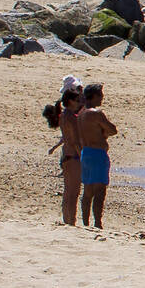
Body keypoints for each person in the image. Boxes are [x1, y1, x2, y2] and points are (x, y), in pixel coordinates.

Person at [75, 82, 117, 227]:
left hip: (85, 153)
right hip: (98, 153)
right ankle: (97, 222)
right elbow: (112, 129)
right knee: (100, 191)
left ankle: (85, 222)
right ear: (95, 96)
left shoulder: (80, 114)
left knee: (87, 190)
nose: (102, 98)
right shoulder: (96, 113)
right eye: (101, 95)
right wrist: (103, 133)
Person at [46, 81, 83, 225]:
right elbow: (74, 140)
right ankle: (71, 221)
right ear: (70, 101)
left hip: (67, 156)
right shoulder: (70, 118)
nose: (79, 103)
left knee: (68, 192)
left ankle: (67, 220)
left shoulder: (63, 116)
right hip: (73, 156)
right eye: (77, 100)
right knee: (73, 193)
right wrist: (82, 157)